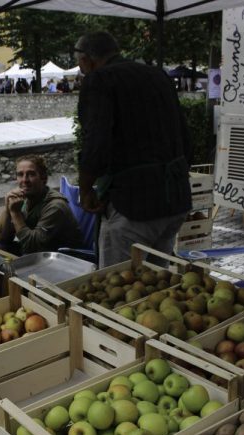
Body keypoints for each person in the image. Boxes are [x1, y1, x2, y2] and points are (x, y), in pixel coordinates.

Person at [74, 31, 192, 268]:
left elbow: (95, 145)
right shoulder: (158, 74)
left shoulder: (99, 80)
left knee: (116, 291)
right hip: (174, 200)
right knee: (159, 287)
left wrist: (85, 189)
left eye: (79, 63)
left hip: (134, 207)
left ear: (86, 59)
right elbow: (184, 135)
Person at [0, 155, 83, 255]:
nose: (25, 180)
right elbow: (1, 238)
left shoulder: (55, 206)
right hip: (40, 252)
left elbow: (32, 247)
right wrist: (8, 209)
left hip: (63, 258)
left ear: (43, 178)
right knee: (2, 249)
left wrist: (15, 213)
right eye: (20, 174)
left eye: (31, 174)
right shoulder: (25, 198)